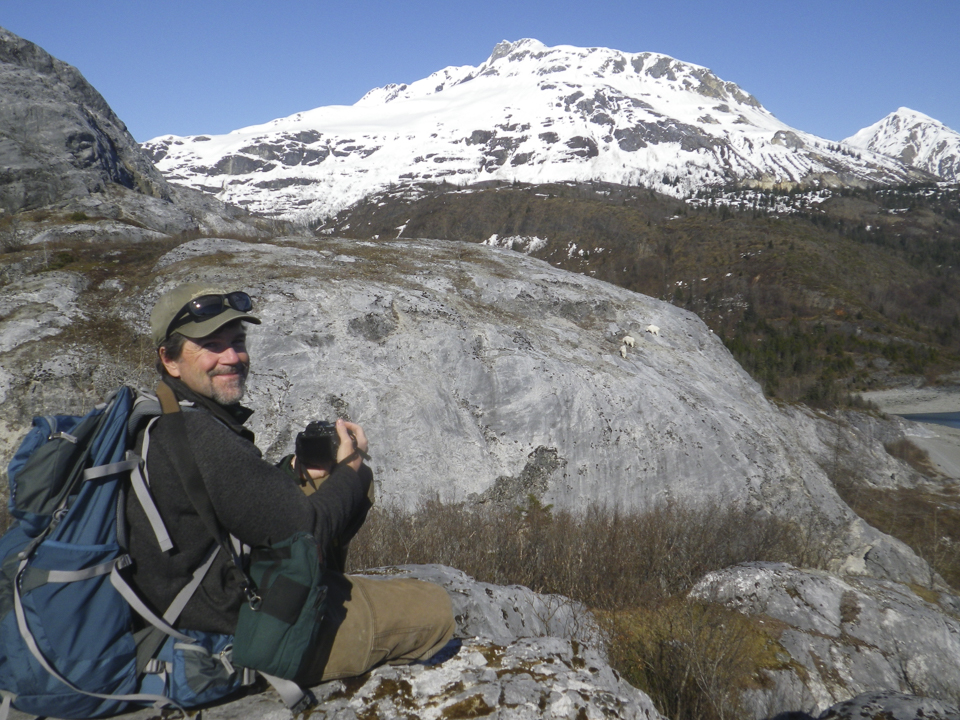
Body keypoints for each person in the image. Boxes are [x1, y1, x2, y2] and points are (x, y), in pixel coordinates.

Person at [125, 282, 456, 685]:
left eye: (238, 340)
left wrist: (295, 472)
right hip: (228, 630)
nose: (233, 357)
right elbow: (309, 530)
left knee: (313, 491)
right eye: (211, 345)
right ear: (170, 360)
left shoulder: (155, 416)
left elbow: (232, 503)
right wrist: (353, 467)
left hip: (177, 602)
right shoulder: (199, 435)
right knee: (435, 609)